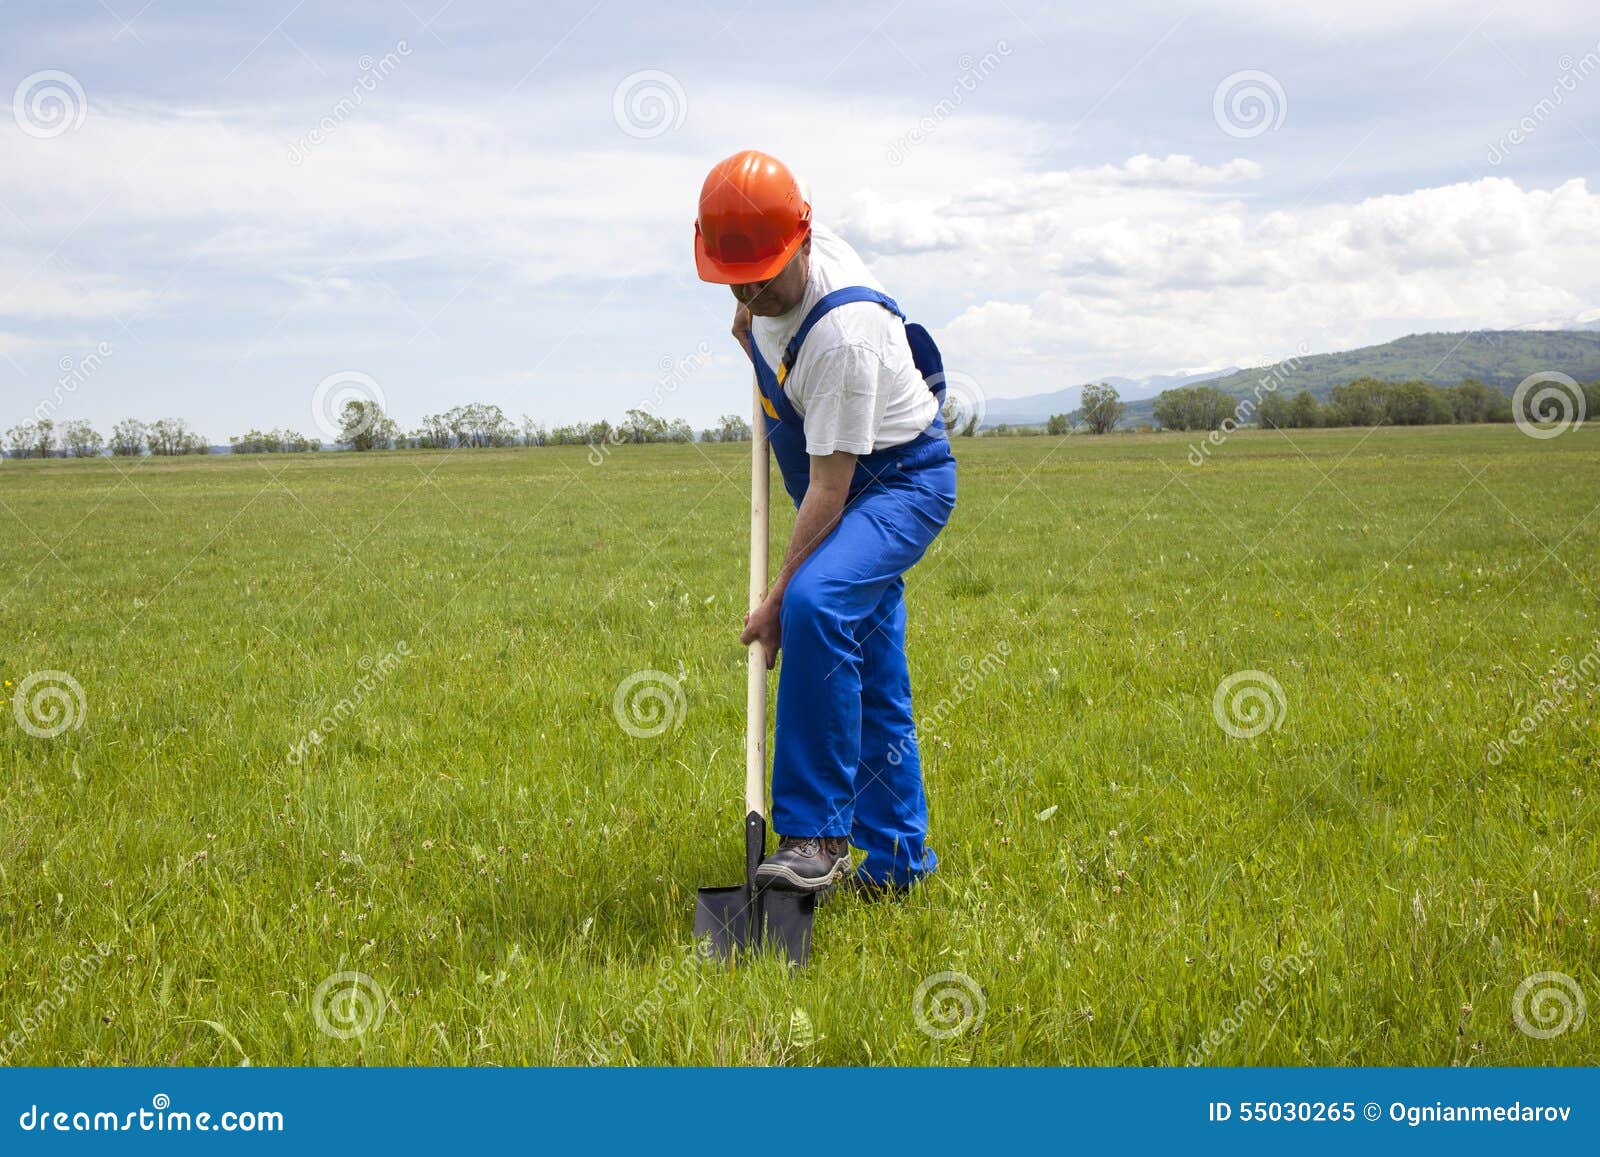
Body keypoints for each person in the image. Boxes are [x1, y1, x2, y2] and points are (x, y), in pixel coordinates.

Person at [693, 149, 957, 894]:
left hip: (897, 479)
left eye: (764, 278)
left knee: (815, 603)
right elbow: (752, 283)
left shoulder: (844, 332)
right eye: (732, 278)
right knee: (872, 666)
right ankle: (901, 863)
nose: (749, 290)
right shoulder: (766, 254)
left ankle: (817, 835)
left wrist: (776, 601)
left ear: (804, 245)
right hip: (834, 461)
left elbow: (830, 490)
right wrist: (750, 326)